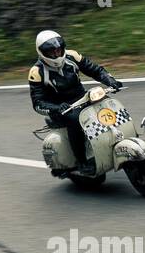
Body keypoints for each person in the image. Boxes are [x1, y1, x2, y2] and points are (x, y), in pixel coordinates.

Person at [28, 30, 121, 173]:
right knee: (74, 119)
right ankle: (82, 162)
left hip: (82, 98)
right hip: (61, 108)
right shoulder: (37, 72)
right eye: (52, 52)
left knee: (106, 102)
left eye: (59, 50)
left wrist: (110, 80)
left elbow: (94, 70)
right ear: (42, 53)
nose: (57, 54)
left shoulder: (72, 56)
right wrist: (56, 108)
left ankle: (117, 137)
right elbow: (38, 103)